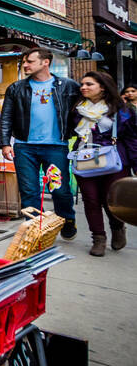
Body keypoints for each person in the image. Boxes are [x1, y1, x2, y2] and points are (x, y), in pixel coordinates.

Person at [0, 48, 81, 238]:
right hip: (25, 147)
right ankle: (35, 229)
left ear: (46, 62)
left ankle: (67, 219)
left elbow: (82, 110)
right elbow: (6, 117)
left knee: (59, 189)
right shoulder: (16, 88)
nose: (25, 65)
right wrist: (5, 143)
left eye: (30, 61)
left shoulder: (68, 86)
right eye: (24, 62)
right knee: (29, 191)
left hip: (56, 147)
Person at [68, 71, 128, 255]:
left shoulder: (120, 109)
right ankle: (98, 238)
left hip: (114, 160)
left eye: (89, 84)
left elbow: (132, 138)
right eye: (82, 84)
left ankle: (117, 228)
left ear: (102, 87)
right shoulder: (77, 109)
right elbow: (70, 131)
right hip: (85, 158)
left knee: (111, 201)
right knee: (91, 200)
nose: (83, 87)